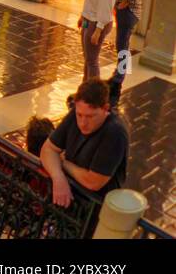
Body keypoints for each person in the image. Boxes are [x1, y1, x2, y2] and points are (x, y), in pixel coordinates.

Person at [40, 78, 129, 207]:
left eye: (90, 116)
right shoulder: (75, 114)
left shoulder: (115, 133)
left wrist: (63, 162)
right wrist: (58, 178)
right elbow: (47, 149)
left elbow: (93, 182)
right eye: (79, 115)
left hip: (94, 208)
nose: (83, 123)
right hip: (69, 199)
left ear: (105, 109)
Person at [109, 0, 140, 104]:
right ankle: (119, 74)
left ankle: (119, 78)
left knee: (122, 45)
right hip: (120, 7)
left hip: (128, 10)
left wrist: (123, 3)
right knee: (121, 44)